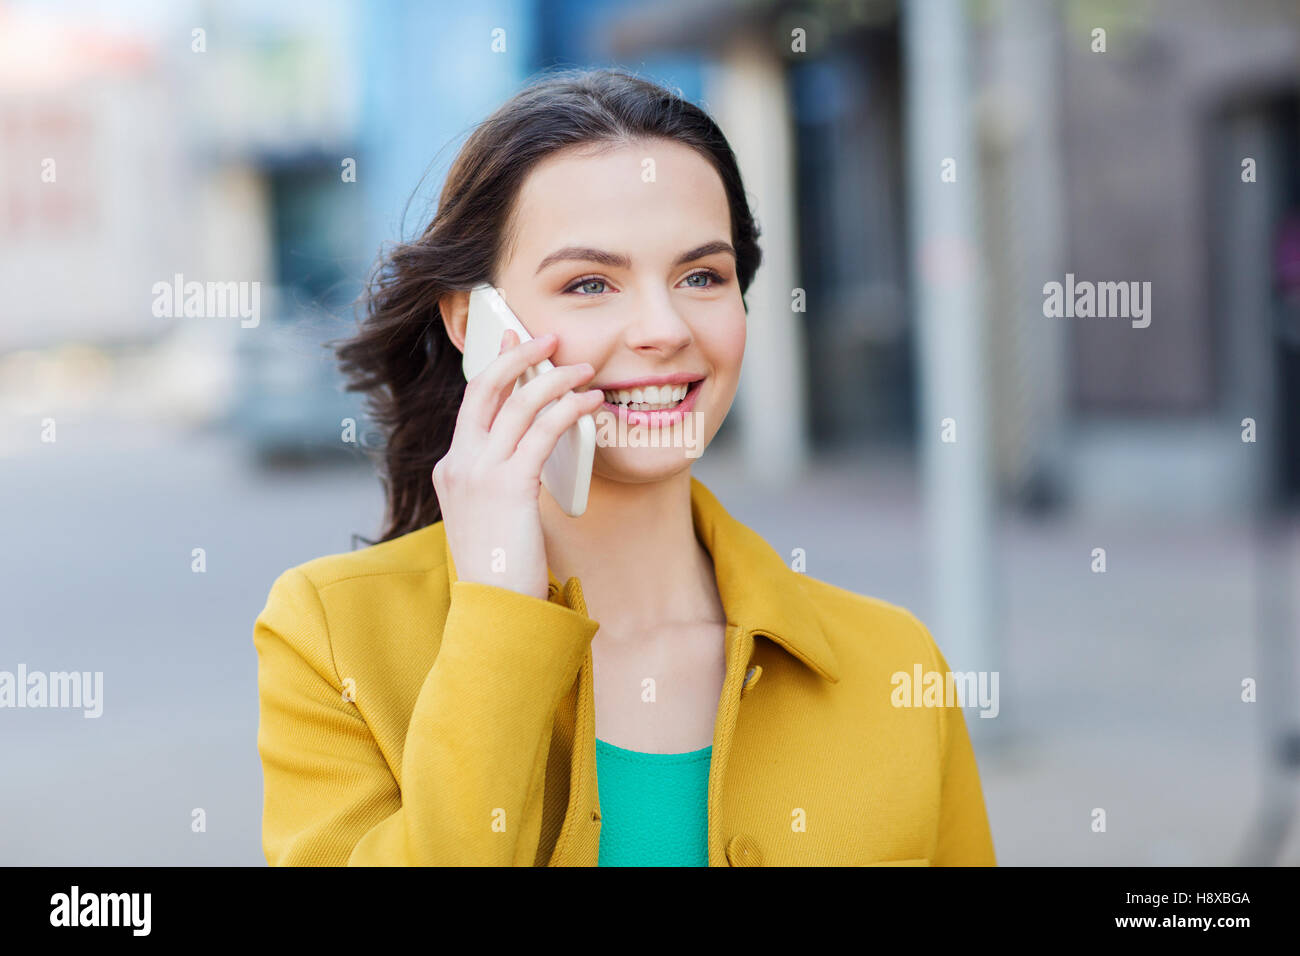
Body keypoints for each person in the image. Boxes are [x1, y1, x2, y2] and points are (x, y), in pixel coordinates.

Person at [253, 67, 996, 867]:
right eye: (590, 283)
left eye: (701, 276)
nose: (662, 328)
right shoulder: (332, 640)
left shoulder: (894, 661)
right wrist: (499, 616)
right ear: (476, 321)